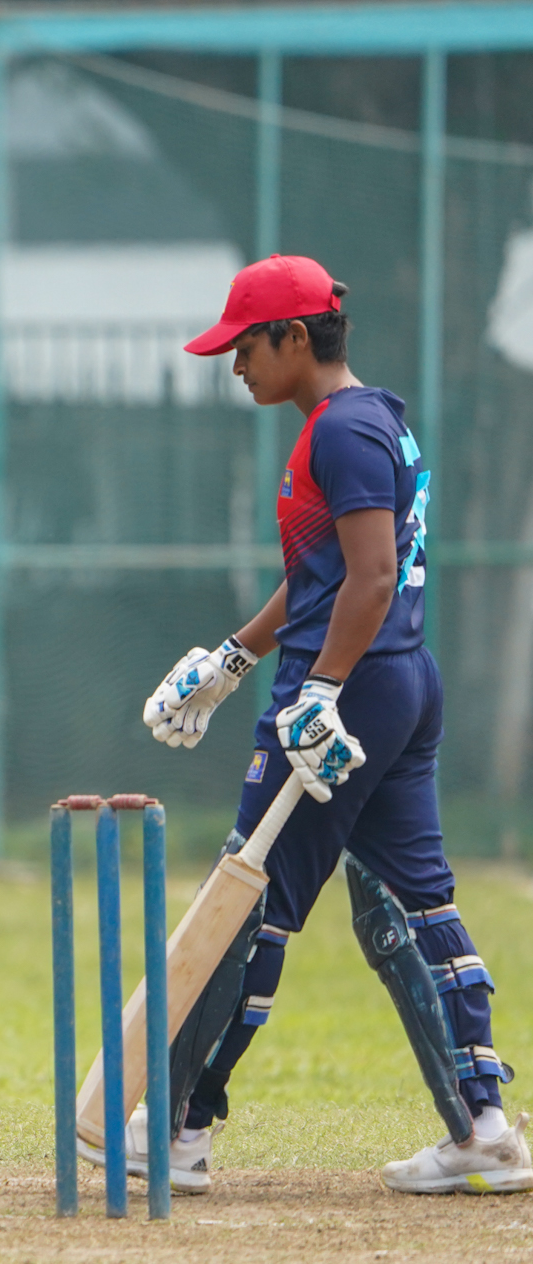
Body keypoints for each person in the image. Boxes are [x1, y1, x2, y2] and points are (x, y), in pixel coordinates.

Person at [126, 254, 529, 1196]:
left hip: (348, 689)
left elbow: (373, 577)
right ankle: (483, 1126)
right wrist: (233, 658)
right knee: (412, 899)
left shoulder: (340, 432)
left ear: (295, 338)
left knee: (250, 895)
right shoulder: (371, 417)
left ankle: (179, 1128)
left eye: (244, 347)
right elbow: (325, 575)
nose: (235, 367)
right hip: (396, 685)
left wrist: (319, 689)